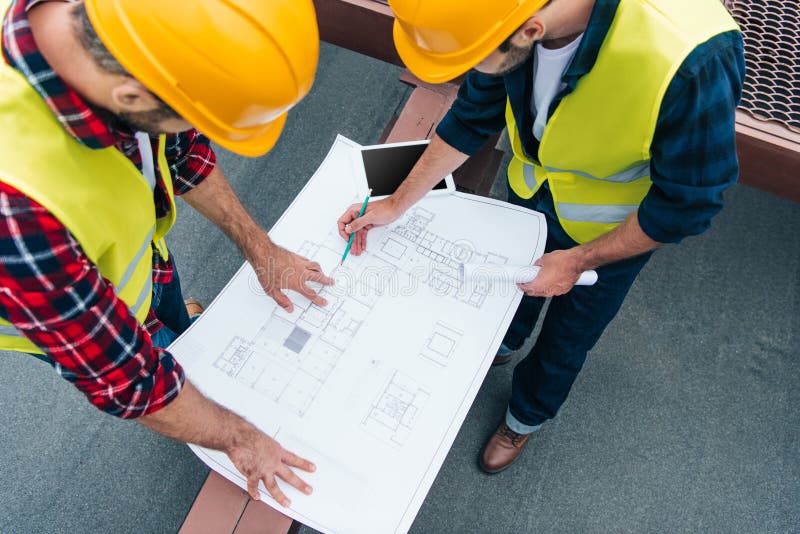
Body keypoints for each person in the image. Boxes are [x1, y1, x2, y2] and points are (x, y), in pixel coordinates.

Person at [338, 0, 744, 473]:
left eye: (475, 60)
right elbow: (473, 116)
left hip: (612, 228)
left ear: (529, 29)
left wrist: (577, 261)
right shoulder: (502, 18)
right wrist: (395, 202)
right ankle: (503, 342)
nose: (473, 72)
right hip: (532, 188)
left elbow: (687, 203)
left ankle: (523, 418)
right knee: (511, 289)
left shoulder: (692, 56)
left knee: (568, 336)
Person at [0, 0, 333, 505]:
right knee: (161, 364)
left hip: (140, 261)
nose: (190, 133)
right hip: (73, 310)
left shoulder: (138, 37)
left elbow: (180, 154)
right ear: (130, 95)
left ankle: (183, 340)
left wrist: (261, 250)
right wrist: (241, 440)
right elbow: (128, 380)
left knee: (177, 323)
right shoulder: (16, 216)